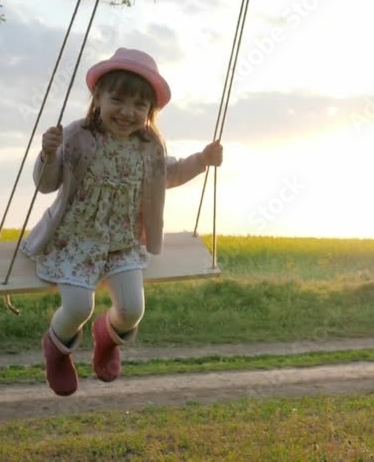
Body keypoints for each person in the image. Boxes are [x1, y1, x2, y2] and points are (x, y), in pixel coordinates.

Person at [19, 47, 223, 396]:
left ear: (150, 111)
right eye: (117, 100)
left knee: (131, 311)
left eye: (140, 105)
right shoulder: (78, 136)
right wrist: (47, 154)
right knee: (78, 307)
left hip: (123, 243)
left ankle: (107, 336)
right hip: (75, 240)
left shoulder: (149, 146)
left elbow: (170, 174)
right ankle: (57, 347)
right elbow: (46, 183)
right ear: (97, 98)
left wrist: (202, 160)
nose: (128, 112)